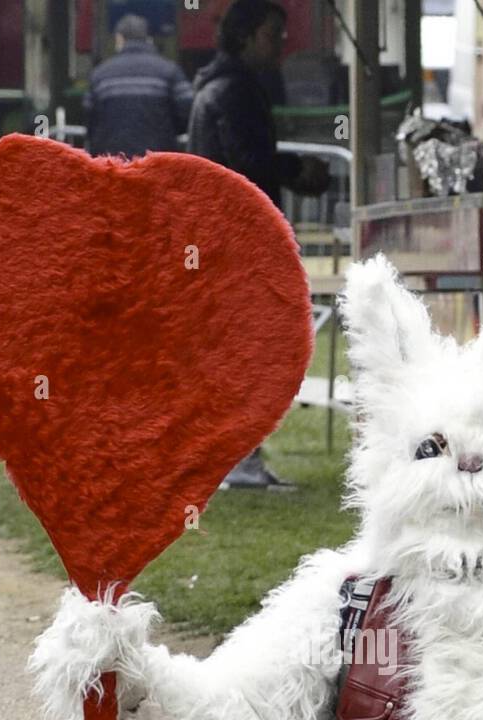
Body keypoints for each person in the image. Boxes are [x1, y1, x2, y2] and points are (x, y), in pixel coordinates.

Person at [188, 0, 330, 490]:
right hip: (239, 239)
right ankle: (240, 460)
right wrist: (298, 172)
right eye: (272, 34)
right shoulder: (237, 92)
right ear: (246, 36)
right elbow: (250, 162)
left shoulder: (214, 88)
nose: (281, 45)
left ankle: (232, 456)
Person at [85, 13, 193, 160]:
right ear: (148, 39)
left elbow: (90, 119)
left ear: (119, 39)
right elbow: (188, 112)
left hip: (112, 166)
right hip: (158, 163)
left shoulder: (100, 75)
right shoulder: (169, 71)